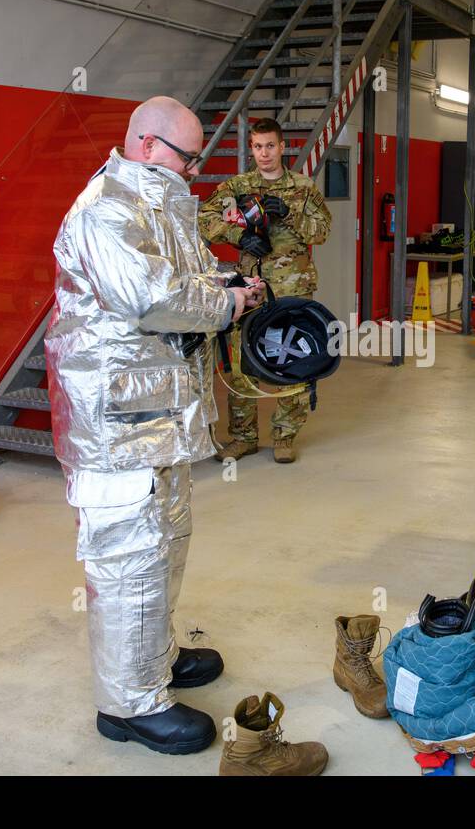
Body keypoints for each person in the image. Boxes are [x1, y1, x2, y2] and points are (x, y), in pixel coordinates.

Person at [45, 96, 265, 756]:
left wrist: (223, 281)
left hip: (155, 414)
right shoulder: (106, 208)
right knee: (129, 557)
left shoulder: (155, 204)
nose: (194, 171)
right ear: (147, 144)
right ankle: (129, 705)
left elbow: (178, 275)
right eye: (187, 157)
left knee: (166, 540)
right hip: (116, 420)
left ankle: (155, 660)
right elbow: (152, 296)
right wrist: (223, 304)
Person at [198, 117, 332, 464]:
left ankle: (285, 436)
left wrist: (289, 215)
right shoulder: (239, 187)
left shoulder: (303, 188)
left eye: (270, 146)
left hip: (293, 289)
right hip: (251, 288)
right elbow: (205, 219)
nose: (264, 153)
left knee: (293, 359)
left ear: (282, 147)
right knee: (241, 362)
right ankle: (244, 437)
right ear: (252, 148)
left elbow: (322, 231)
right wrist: (239, 236)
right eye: (257, 147)